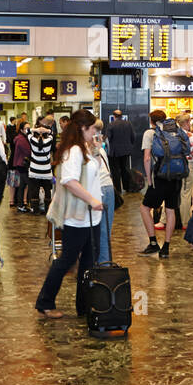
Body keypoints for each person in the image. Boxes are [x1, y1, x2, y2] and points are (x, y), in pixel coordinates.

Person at [34, 110, 105, 318]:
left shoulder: (84, 149)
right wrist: (91, 200)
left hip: (91, 216)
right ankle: (45, 302)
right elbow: (68, 180)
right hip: (78, 216)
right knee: (66, 260)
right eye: (92, 129)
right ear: (84, 128)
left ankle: (84, 306)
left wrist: (96, 150)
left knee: (88, 263)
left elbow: (93, 172)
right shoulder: (73, 151)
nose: (95, 133)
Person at [139, 110, 193, 258]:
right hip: (176, 177)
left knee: (144, 208)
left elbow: (146, 159)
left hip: (159, 177)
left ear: (151, 121)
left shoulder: (150, 133)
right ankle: (166, 247)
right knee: (170, 210)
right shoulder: (176, 132)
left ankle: (153, 243)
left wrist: (149, 180)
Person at [92, 119, 115, 260]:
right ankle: (104, 264)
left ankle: (98, 266)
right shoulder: (101, 148)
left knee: (97, 231)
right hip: (108, 187)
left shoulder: (89, 149)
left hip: (98, 189)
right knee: (105, 230)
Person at [26, 118, 55, 213]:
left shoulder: (32, 141)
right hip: (46, 171)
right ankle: (47, 209)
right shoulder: (49, 141)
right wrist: (45, 130)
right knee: (47, 191)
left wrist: (36, 130)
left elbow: (27, 131)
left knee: (35, 191)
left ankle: (35, 210)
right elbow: (52, 132)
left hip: (34, 170)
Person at [105, 109, 135, 196]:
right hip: (126, 151)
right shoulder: (128, 124)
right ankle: (126, 187)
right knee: (124, 169)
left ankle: (118, 189)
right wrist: (130, 146)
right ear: (122, 116)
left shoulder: (111, 125)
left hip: (114, 152)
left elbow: (108, 138)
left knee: (115, 171)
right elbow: (133, 136)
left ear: (114, 116)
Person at [10, 120, 32, 211]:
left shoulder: (21, 138)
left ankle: (21, 204)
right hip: (22, 164)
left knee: (22, 185)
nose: (28, 130)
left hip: (20, 164)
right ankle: (23, 204)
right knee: (27, 184)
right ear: (22, 130)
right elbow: (28, 151)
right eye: (26, 128)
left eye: (29, 128)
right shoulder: (21, 139)